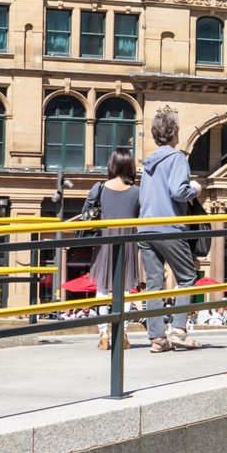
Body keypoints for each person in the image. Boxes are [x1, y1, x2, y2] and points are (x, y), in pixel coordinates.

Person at [138, 106, 205, 353]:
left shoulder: (148, 163)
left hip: (145, 228)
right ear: (174, 133)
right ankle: (178, 330)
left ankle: (157, 338)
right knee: (187, 277)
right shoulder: (177, 158)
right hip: (169, 226)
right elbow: (178, 191)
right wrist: (195, 189)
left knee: (154, 283)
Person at [87, 148, 144, 351]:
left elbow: (86, 214)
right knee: (127, 289)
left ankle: (103, 333)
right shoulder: (137, 191)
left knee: (102, 288)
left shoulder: (99, 188)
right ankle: (123, 333)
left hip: (105, 241)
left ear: (112, 165)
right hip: (128, 241)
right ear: (130, 166)